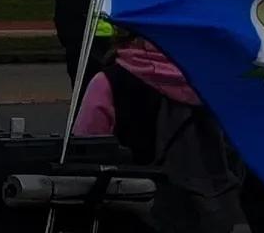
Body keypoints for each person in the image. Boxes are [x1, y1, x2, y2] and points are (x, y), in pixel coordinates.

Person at [73, 35, 243, 232]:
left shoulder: (108, 83)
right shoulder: (216, 81)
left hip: (131, 212)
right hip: (213, 211)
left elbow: (84, 159)